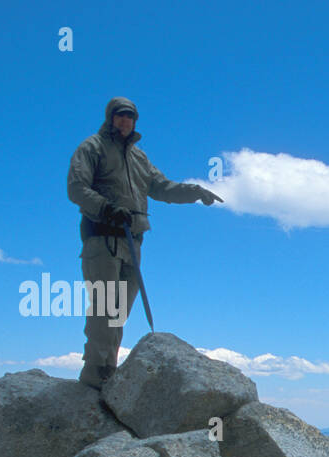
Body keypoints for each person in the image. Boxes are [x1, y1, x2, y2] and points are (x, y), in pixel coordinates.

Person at [67, 96, 222, 388]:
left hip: (133, 242)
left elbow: (162, 187)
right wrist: (106, 208)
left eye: (131, 117)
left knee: (119, 311)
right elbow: (76, 188)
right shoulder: (92, 148)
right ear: (110, 117)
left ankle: (107, 369)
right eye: (121, 115)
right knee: (104, 307)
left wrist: (195, 191)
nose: (126, 121)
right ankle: (95, 374)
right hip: (102, 237)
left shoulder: (139, 158)